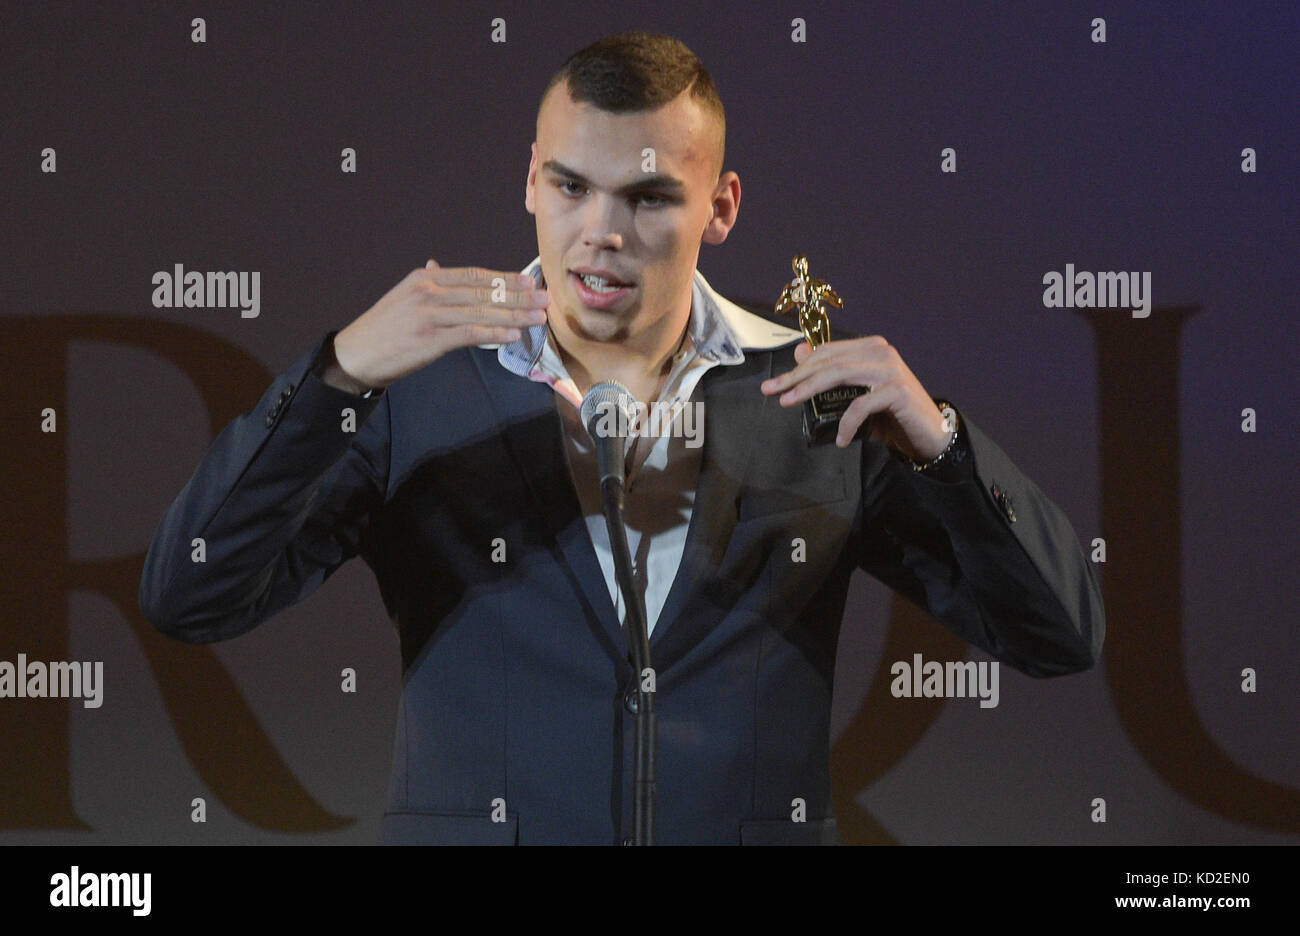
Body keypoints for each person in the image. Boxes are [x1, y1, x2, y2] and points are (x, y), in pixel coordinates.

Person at [139, 31, 1104, 845]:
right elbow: (190, 596)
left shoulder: (813, 391)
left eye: (647, 199)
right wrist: (335, 377)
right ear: (529, 180)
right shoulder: (410, 390)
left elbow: (1059, 637)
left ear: (720, 207)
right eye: (570, 185)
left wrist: (941, 449)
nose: (599, 231)